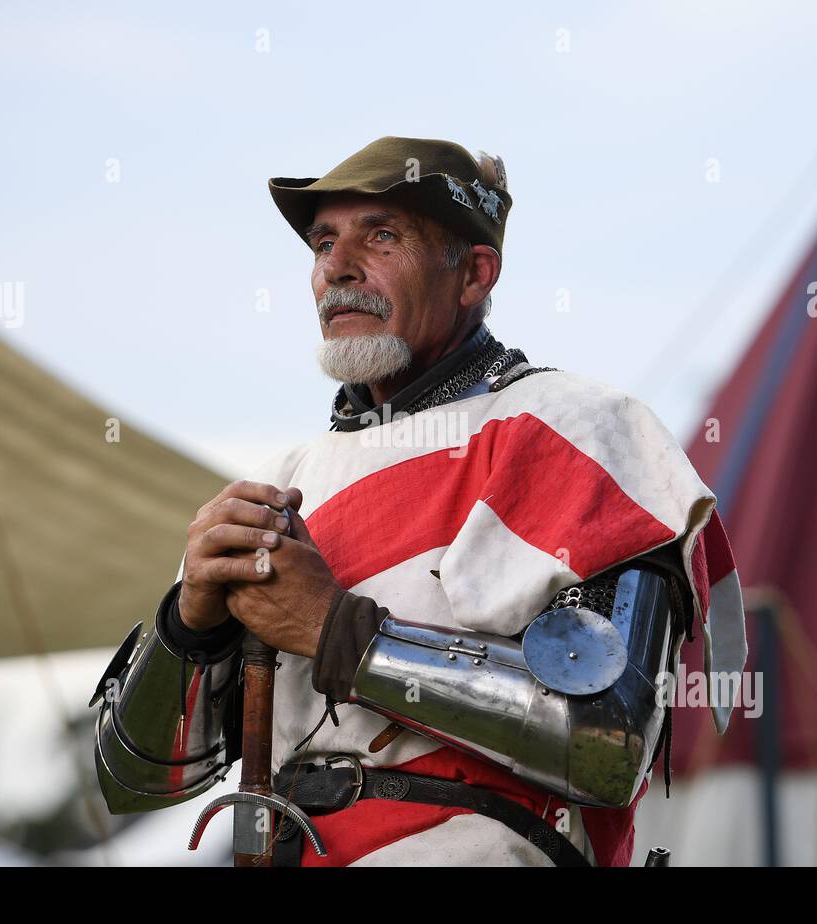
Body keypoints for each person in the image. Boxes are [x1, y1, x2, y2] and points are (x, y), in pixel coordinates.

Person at [91, 136, 747, 866]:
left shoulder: (583, 430)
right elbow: (134, 781)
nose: (338, 267)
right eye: (323, 242)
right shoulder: (284, 477)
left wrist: (340, 634)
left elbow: (607, 740)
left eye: (382, 237)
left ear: (473, 274)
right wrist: (188, 630)